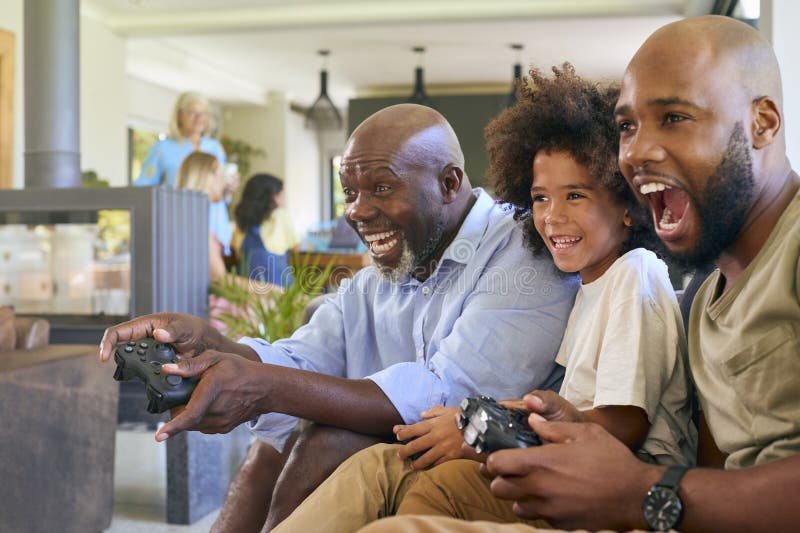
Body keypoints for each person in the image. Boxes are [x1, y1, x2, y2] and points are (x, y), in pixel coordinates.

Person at [358, 15, 800, 533]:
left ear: (763, 123)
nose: (634, 152)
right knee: (385, 474)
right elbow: (713, 468)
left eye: (675, 117)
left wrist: (643, 493)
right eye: (627, 127)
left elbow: (648, 453)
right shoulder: (707, 304)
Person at [99, 103, 580, 533]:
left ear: (449, 183)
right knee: (271, 446)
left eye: (382, 188)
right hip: (416, 441)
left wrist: (263, 384)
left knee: (325, 440)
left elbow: (449, 395)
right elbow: (307, 355)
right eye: (349, 191)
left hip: (478, 450)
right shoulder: (390, 268)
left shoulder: (526, 249)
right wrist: (215, 347)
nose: (357, 212)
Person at [273, 64, 696, 533]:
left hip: (616, 485)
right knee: (377, 469)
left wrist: (491, 429)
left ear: (629, 207)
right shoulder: (588, 288)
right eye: (539, 198)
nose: (552, 217)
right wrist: (493, 419)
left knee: (436, 487)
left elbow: (624, 425)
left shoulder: (634, 276)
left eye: (575, 195)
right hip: (560, 459)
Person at [133, 91, 235, 257]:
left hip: (216, 226)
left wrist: (228, 188)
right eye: (192, 113)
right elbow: (144, 188)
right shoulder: (163, 149)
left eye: (203, 113)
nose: (199, 118)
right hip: (181, 225)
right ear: (179, 115)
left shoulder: (215, 147)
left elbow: (220, 190)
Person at [231, 174, 293, 287]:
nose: (285, 198)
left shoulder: (241, 222)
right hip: (278, 293)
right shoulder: (280, 215)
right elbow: (295, 247)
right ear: (274, 197)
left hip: (247, 293)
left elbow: (236, 251)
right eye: (282, 194)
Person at [175, 151, 227, 282]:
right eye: (221, 176)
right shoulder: (195, 223)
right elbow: (220, 279)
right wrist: (276, 291)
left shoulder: (183, 217)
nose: (224, 183)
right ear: (207, 177)